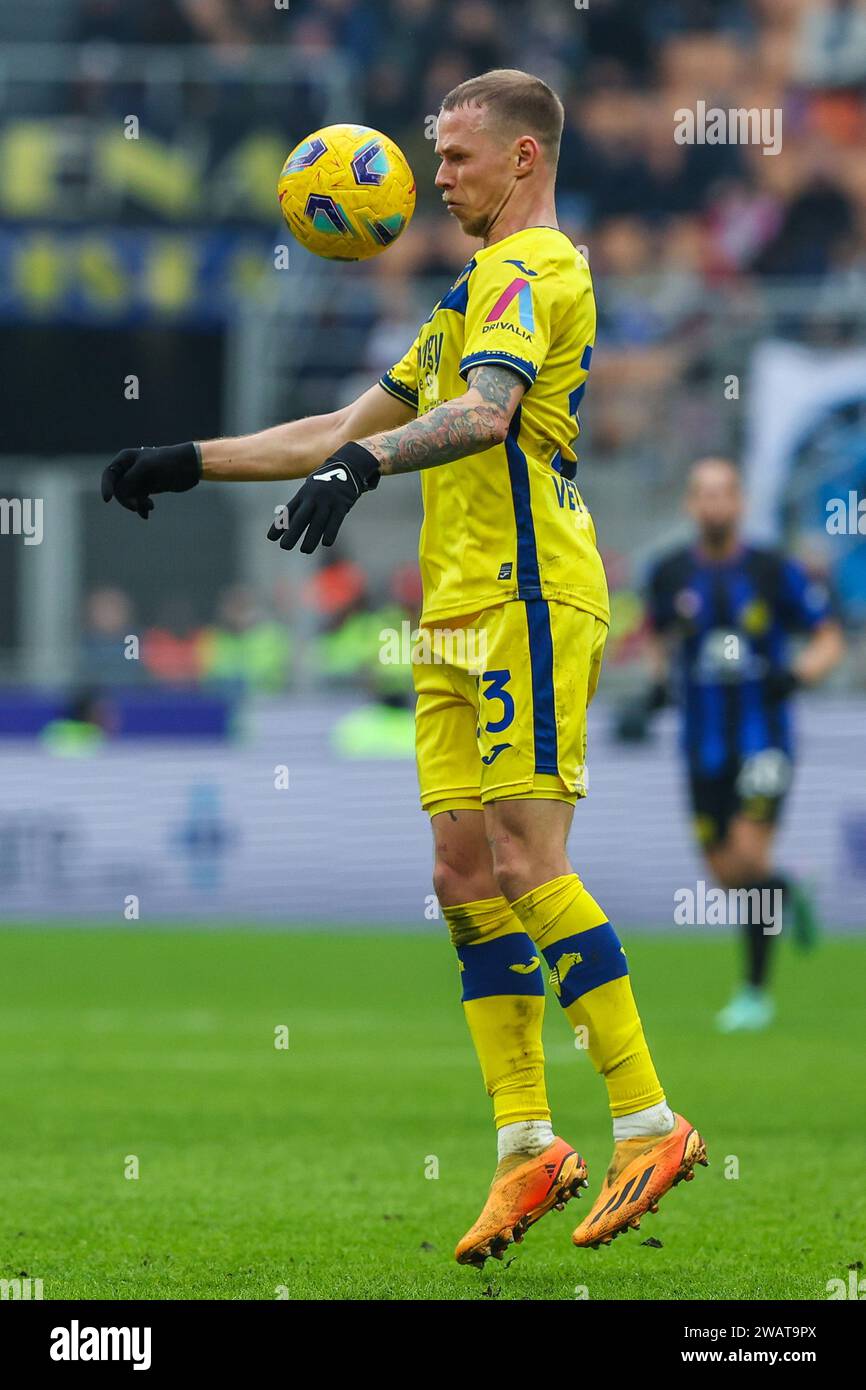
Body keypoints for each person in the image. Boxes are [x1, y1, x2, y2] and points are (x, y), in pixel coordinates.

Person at [101, 68, 706, 1265]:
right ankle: (526, 1144)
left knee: (531, 858)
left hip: (529, 593)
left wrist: (364, 475)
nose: (437, 177)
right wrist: (186, 459)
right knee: (462, 874)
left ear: (524, 158)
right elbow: (335, 434)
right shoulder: (463, 293)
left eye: (456, 157)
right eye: (431, 157)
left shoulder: (535, 270)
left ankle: (647, 1119)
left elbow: (485, 415)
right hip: (453, 607)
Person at [633, 456, 845, 1031]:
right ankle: (786, 888)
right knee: (727, 873)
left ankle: (755, 994)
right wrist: (655, 689)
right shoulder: (669, 572)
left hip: (765, 740)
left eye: (724, 492)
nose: (713, 504)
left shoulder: (775, 571)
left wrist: (797, 675)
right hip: (701, 745)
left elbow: (829, 638)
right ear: (689, 504)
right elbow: (655, 637)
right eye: (702, 493)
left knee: (749, 857)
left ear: (741, 502)